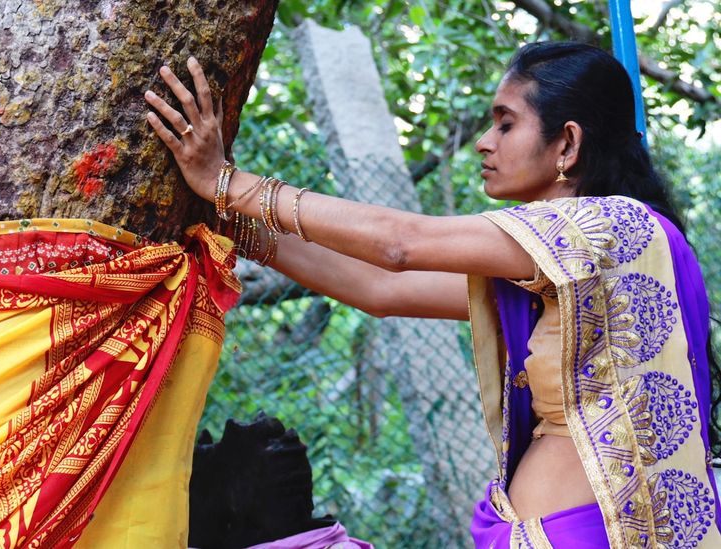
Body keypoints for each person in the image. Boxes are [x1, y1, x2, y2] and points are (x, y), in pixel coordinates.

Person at [144, 41, 721, 548]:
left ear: (567, 144)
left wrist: (227, 182)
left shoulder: (608, 228)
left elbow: (400, 245)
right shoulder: (567, 270)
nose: (482, 143)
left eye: (505, 123)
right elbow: (381, 288)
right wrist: (232, 225)